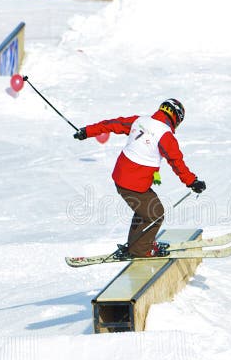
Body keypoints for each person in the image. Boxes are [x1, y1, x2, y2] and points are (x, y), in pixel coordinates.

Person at [73, 99, 206, 258]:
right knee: (155, 213)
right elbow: (177, 162)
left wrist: (87, 131)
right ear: (176, 118)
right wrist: (192, 182)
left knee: (144, 211)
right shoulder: (165, 135)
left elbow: (113, 124)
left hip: (122, 177)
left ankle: (137, 245)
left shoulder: (140, 121)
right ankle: (141, 250)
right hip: (134, 183)